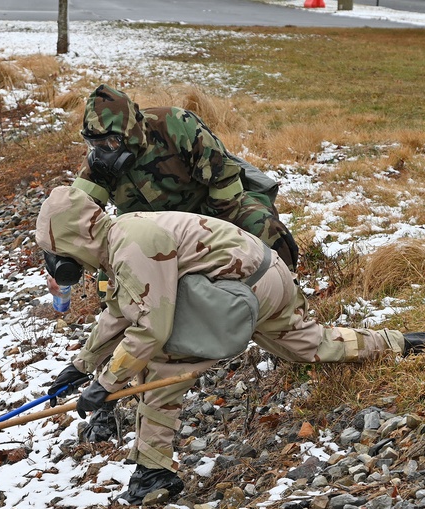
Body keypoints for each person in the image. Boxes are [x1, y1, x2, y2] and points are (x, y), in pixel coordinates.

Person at [37, 185, 425, 506]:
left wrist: (107, 385)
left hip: (244, 289)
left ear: (74, 240)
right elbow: (120, 312)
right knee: (309, 345)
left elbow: (149, 331)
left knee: (162, 366)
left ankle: (152, 473)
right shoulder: (121, 237)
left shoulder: (132, 246)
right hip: (264, 280)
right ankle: (398, 344)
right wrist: (80, 365)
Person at [65, 83, 300, 443]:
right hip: (145, 238)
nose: (103, 152)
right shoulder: (100, 161)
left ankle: (285, 322)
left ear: (133, 129)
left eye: (111, 144)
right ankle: (104, 401)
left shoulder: (176, 126)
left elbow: (225, 183)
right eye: (95, 145)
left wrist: (208, 242)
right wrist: (60, 261)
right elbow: (75, 215)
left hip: (212, 213)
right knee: (113, 293)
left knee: (265, 231)